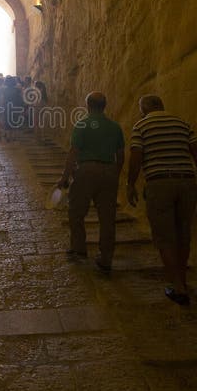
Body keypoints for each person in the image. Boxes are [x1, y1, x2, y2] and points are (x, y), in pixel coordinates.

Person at [126, 94, 197, 306]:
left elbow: (136, 156)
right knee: (183, 233)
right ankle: (182, 280)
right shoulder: (182, 123)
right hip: (186, 182)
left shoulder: (141, 126)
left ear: (144, 109)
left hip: (159, 183)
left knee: (164, 237)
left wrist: (130, 184)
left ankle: (178, 287)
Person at [58, 91, 124, 270]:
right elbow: (120, 155)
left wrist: (65, 177)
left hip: (86, 170)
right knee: (107, 217)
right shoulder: (115, 127)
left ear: (88, 105)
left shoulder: (82, 124)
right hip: (109, 170)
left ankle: (79, 248)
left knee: (76, 212)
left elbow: (74, 153)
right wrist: (114, 174)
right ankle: (106, 257)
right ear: (105, 106)